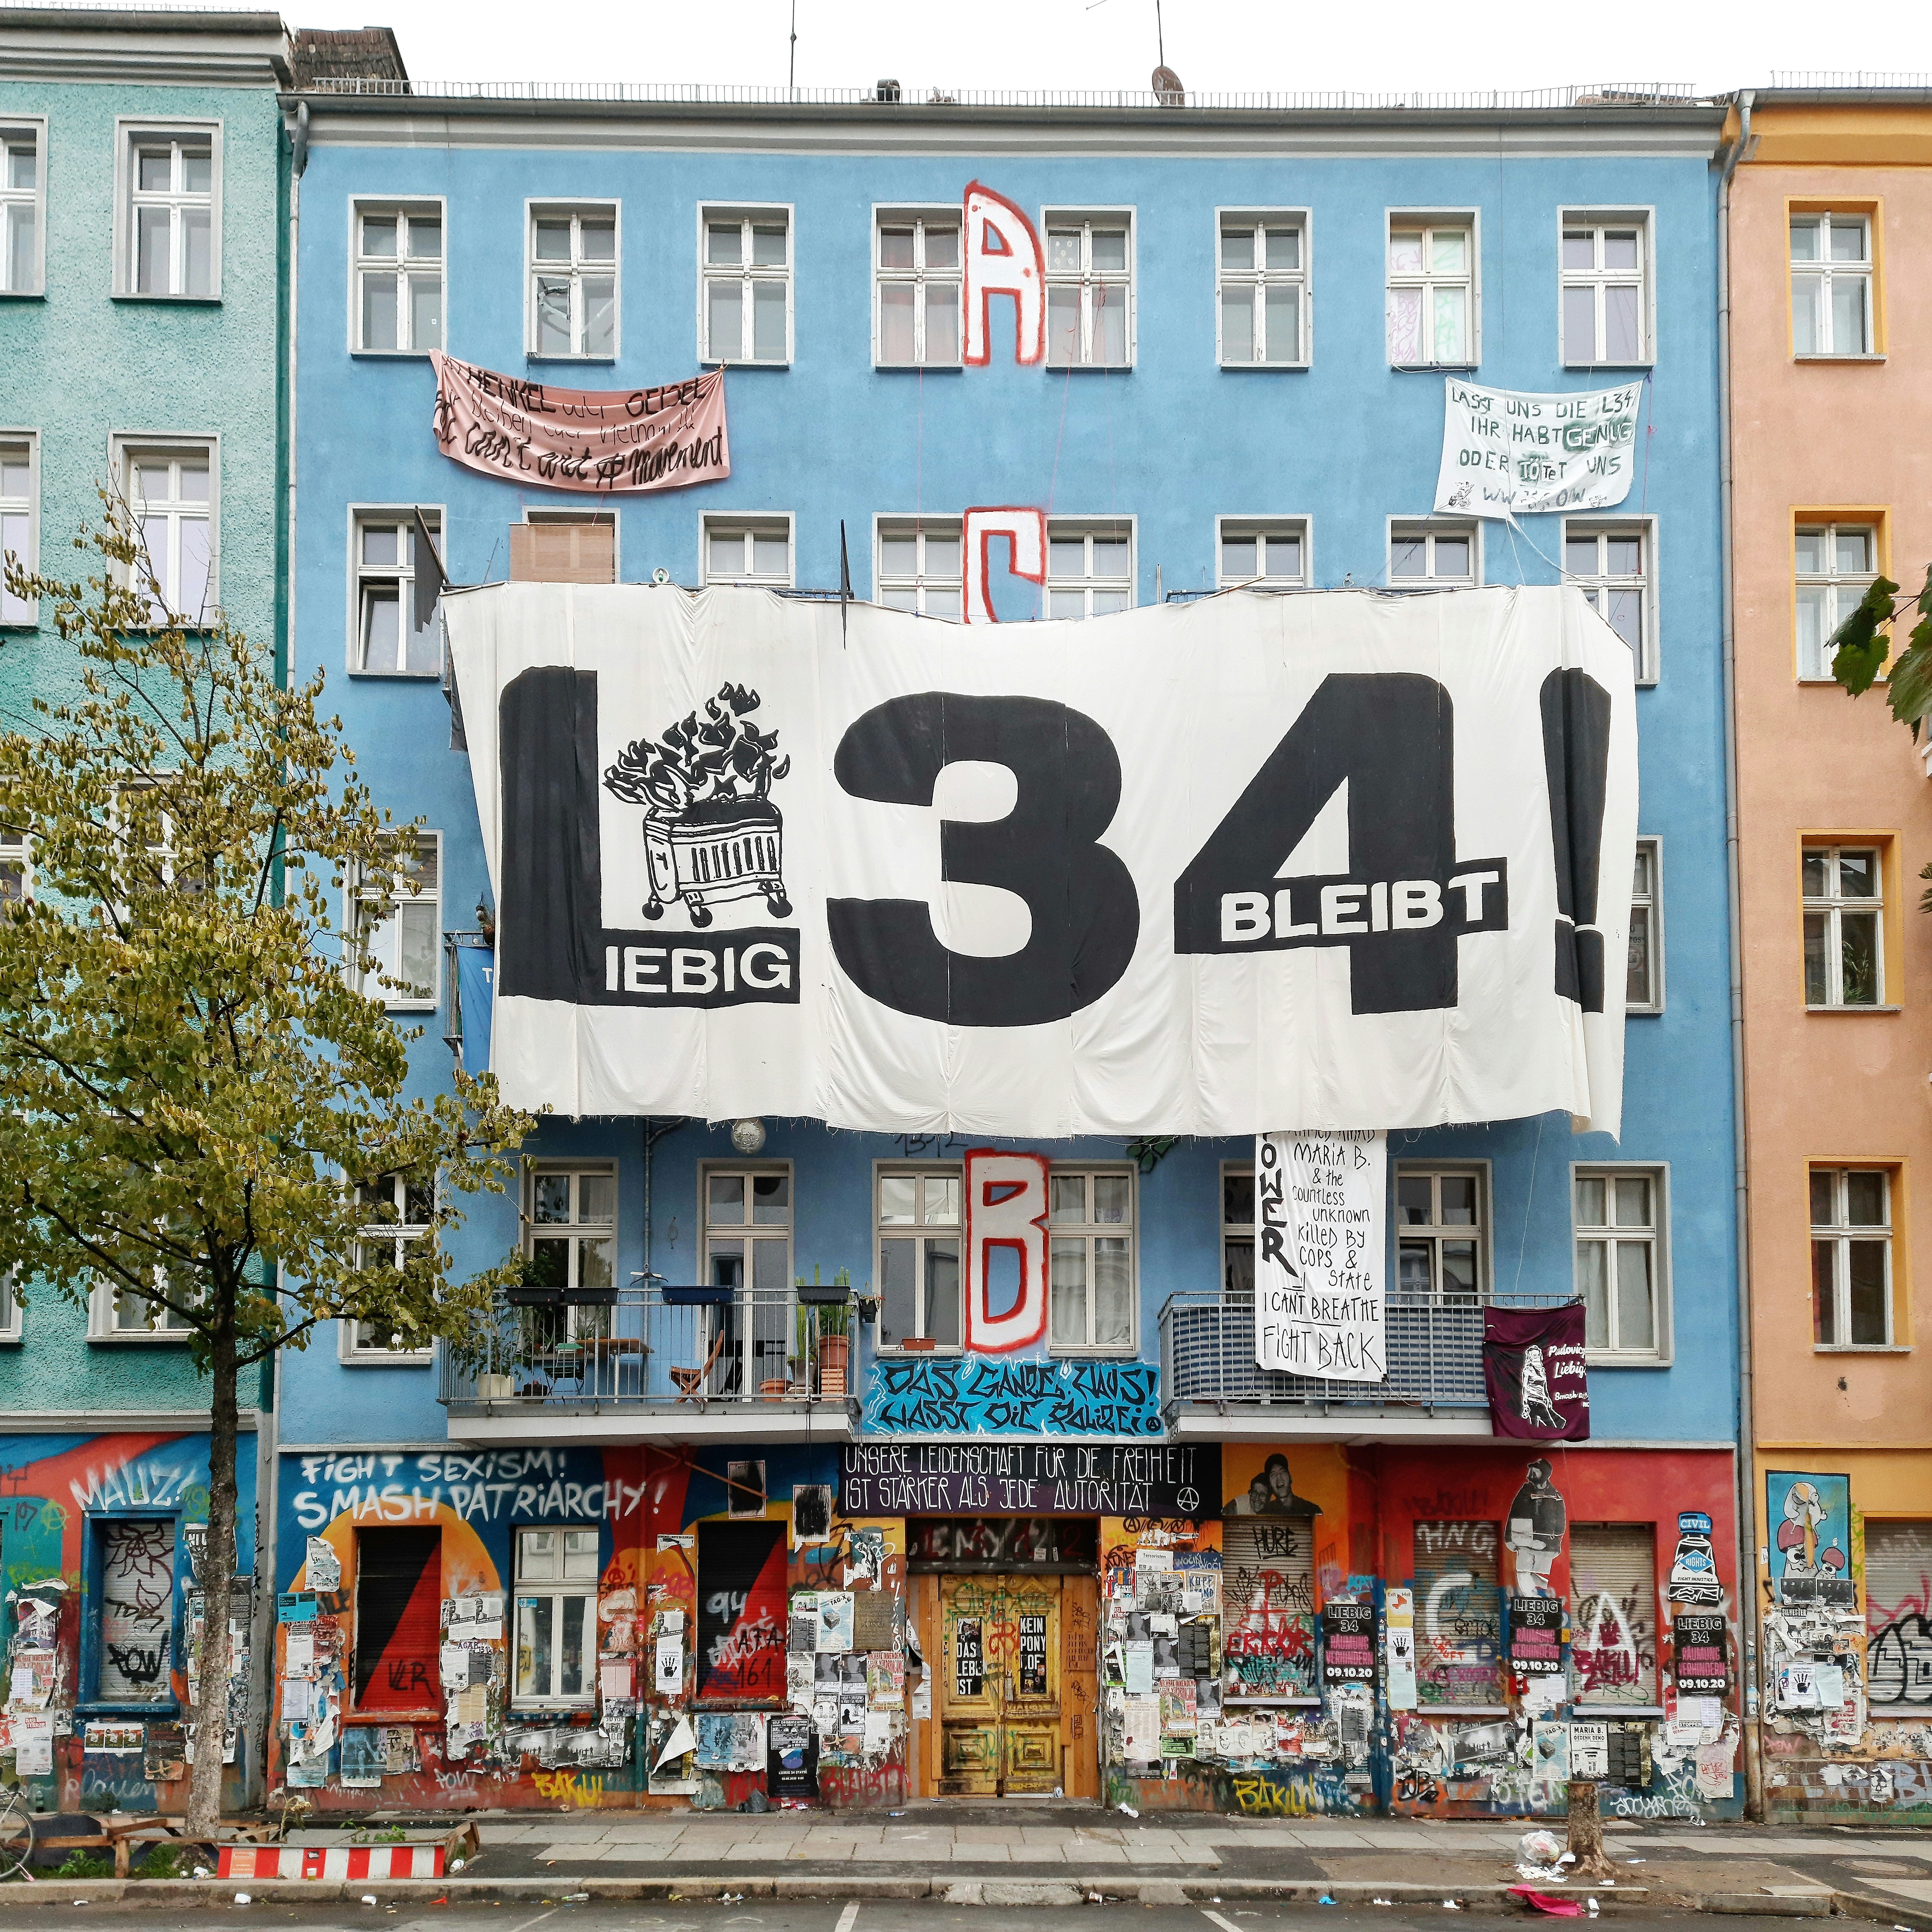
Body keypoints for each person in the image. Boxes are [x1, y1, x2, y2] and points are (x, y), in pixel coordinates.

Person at [1505, 1457, 1566, 1595]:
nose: (1531, 1473)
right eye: (1531, 1470)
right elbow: (1513, 1514)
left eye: (1535, 1471)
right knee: (1522, 1571)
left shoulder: (1555, 1496)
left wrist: (1555, 1542)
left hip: (1545, 1544)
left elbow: (1560, 1522)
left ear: (1544, 1474)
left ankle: (1537, 1591)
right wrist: (1509, 1538)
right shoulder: (1524, 1492)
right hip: (1525, 1541)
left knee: (1538, 1571)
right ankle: (1531, 1596)